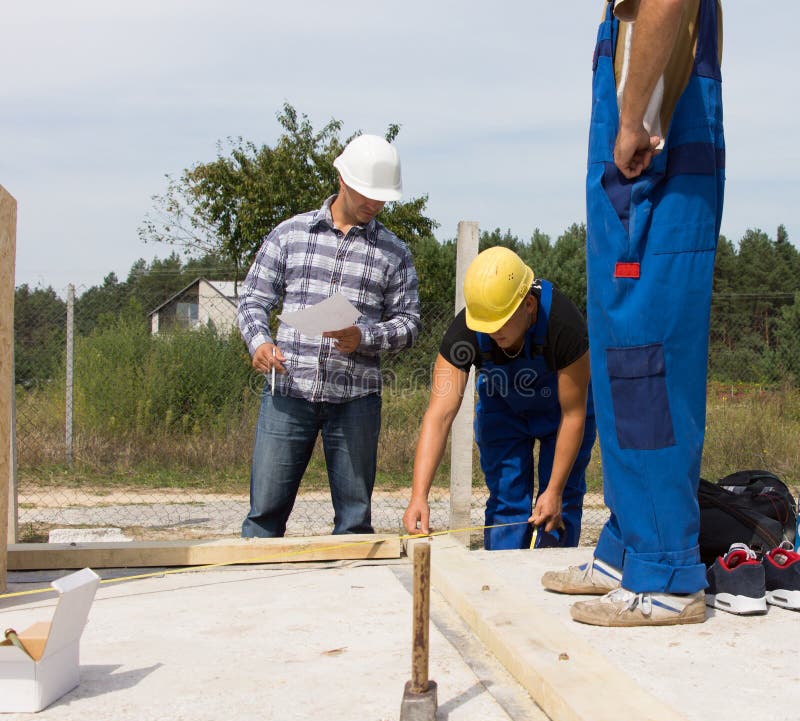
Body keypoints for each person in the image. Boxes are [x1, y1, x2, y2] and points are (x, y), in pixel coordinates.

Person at [543, 0, 725, 626]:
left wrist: (629, 119)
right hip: (637, 169)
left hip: (654, 161)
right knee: (622, 366)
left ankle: (670, 574)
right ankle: (628, 549)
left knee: (647, 366)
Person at [237, 134, 421, 537]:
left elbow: (409, 324)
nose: (374, 205)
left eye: (381, 198)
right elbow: (252, 299)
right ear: (342, 179)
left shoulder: (395, 253)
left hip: (355, 401)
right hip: (288, 393)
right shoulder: (289, 235)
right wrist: (260, 343)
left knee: (355, 521)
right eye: (366, 195)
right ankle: (254, 590)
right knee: (264, 515)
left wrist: (364, 337)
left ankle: (352, 597)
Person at [403, 246, 596, 550]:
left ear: (529, 305)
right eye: (484, 326)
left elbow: (574, 414)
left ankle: (551, 583)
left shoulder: (565, 325)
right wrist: (419, 496)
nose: (491, 333)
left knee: (559, 502)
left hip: (561, 413)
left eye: (500, 324)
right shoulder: (465, 330)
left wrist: (554, 489)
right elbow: (439, 415)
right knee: (507, 502)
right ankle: (501, 585)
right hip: (502, 412)